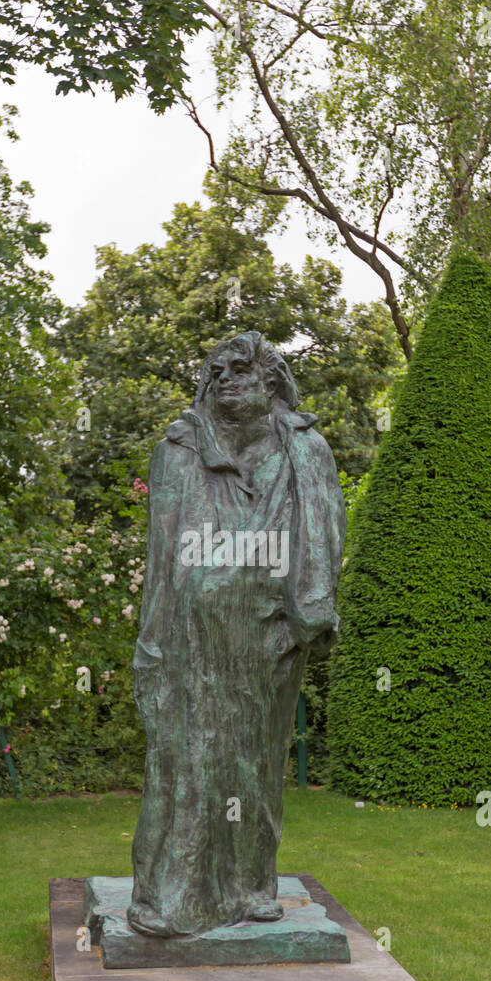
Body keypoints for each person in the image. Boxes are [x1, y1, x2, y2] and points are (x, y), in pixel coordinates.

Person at [127, 331, 346, 937]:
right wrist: (153, 639)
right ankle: (177, 896)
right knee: (190, 759)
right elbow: (162, 555)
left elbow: (323, 535)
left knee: (257, 762)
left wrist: (309, 613)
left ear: (271, 383)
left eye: (241, 371)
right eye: (216, 371)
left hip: (270, 638)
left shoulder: (306, 452)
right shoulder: (179, 451)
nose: (226, 380)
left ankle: (253, 885)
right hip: (193, 641)